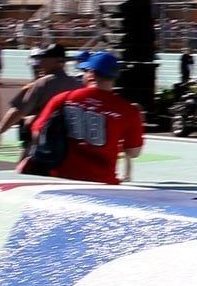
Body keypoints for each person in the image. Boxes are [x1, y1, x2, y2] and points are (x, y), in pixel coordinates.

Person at [20, 50, 144, 185]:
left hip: (62, 178)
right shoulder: (129, 110)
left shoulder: (63, 99)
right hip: (103, 182)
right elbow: (133, 152)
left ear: (91, 73)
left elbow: (37, 133)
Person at [0, 44, 73, 157]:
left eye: (44, 58)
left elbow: (18, 111)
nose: (41, 62)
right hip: (67, 144)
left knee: (26, 165)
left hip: (40, 141)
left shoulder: (42, 83)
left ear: (56, 61)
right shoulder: (77, 85)